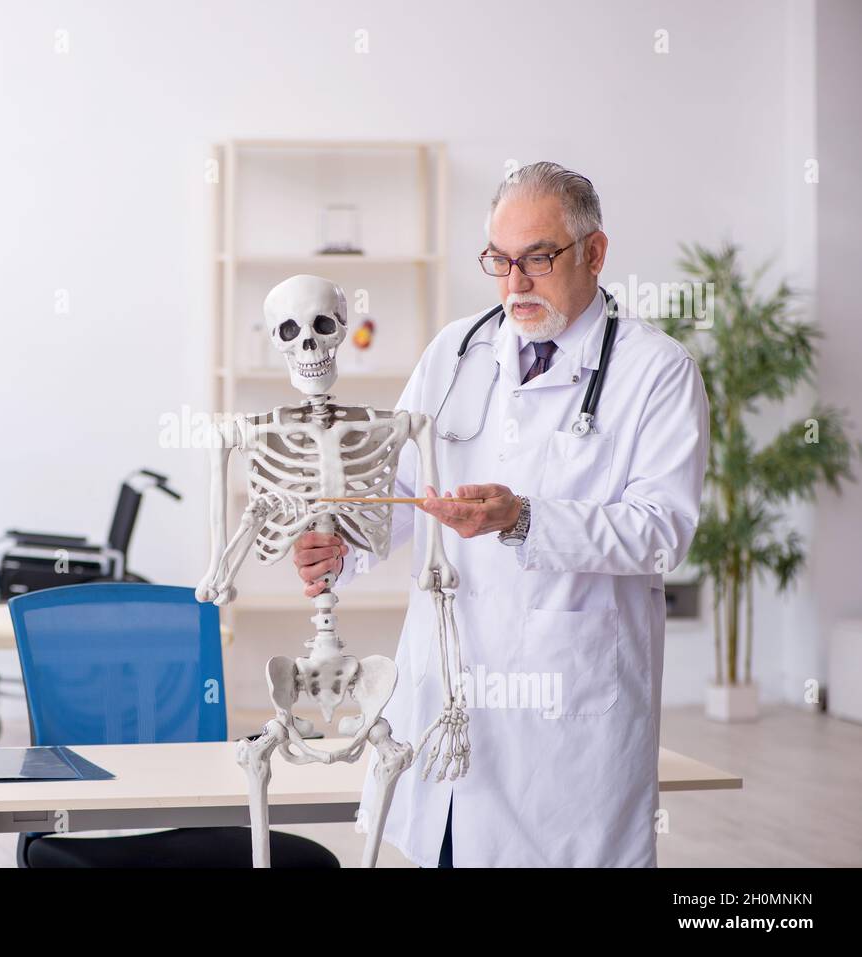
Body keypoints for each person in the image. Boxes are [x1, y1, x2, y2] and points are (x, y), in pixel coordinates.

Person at [293, 162, 709, 867]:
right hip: (447, 703)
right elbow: (398, 485)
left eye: (538, 258)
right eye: (499, 260)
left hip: (564, 726)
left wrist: (524, 519)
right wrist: (344, 547)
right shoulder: (455, 351)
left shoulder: (656, 371)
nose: (515, 282)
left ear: (595, 253)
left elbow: (662, 530)